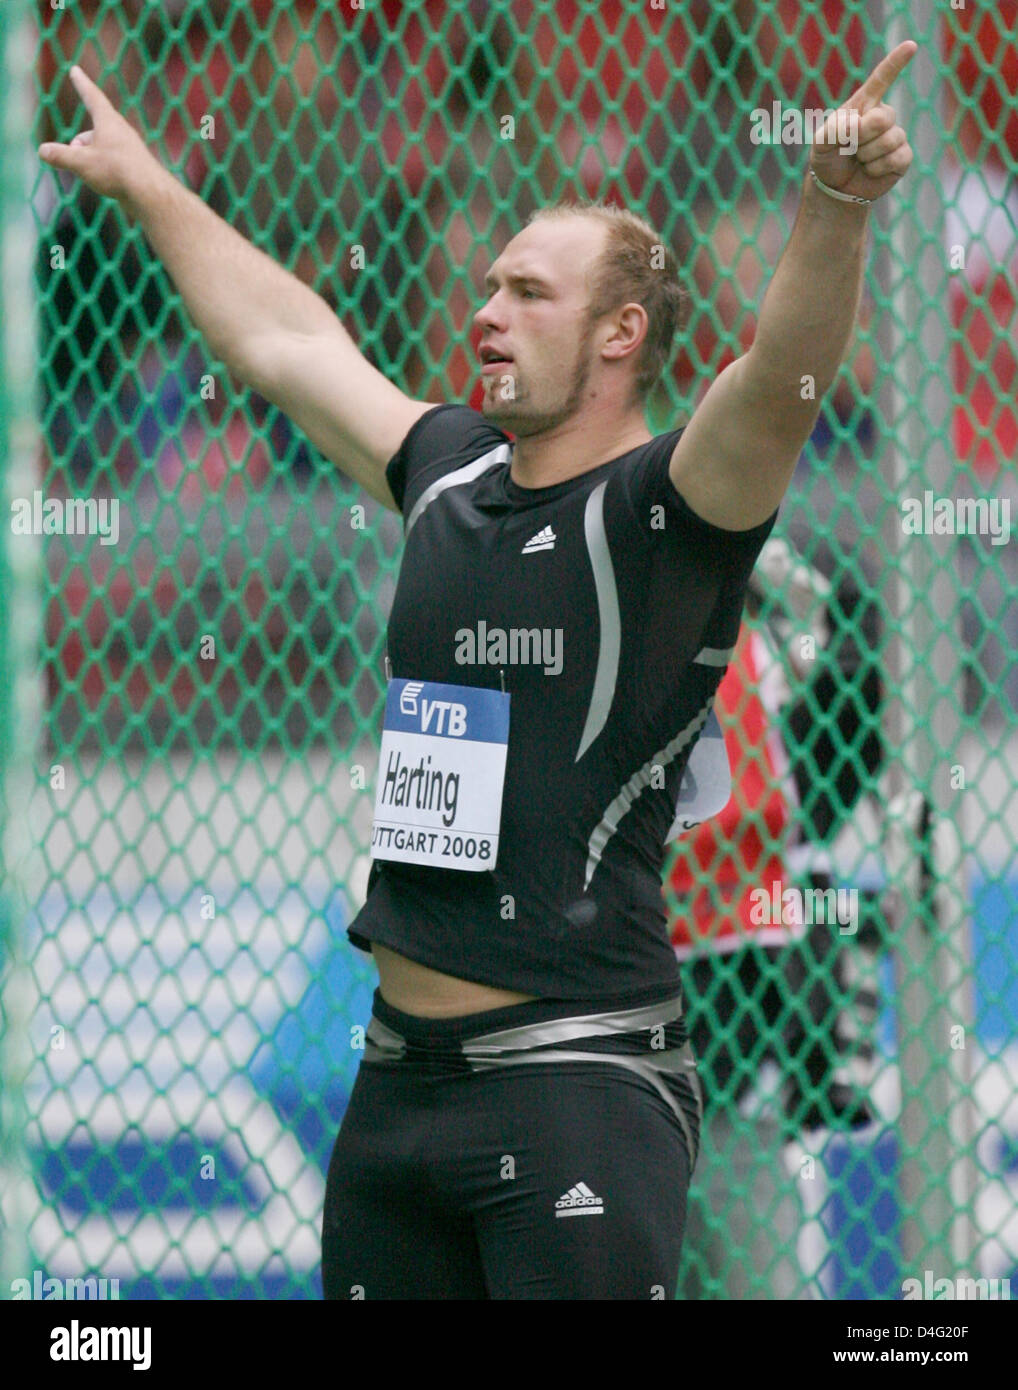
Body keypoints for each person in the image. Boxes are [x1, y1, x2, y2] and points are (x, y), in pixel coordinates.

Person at [39, 41, 916, 1299]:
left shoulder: (663, 513)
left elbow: (779, 382)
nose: (483, 311)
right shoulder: (445, 470)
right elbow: (288, 338)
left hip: (576, 1083)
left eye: (526, 293)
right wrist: (147, 183)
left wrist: (833, 205)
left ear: (620, 333)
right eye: (488, 283)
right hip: (396, 1086)